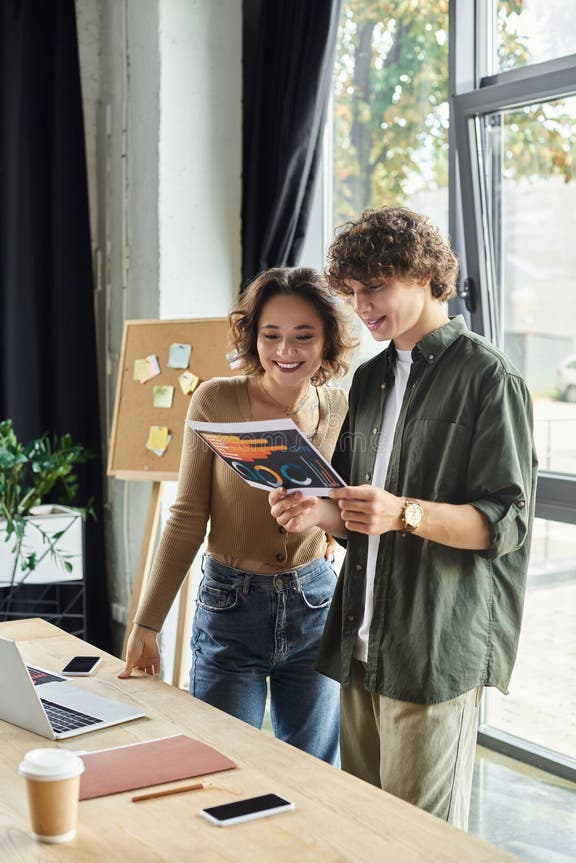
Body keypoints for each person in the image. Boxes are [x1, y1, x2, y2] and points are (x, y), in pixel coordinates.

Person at [269, 207, 537, 827]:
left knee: (419, 841)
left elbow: (507, 523)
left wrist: (405, 513)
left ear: (424, 275)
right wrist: (315, 511)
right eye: (352, 291)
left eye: (375, 287)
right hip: (359, 644)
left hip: (431, 649)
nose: (361, 306)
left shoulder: (489, 377)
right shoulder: (369, 380)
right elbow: (353, 513)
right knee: (365, 830)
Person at [119, 266, 354, 765]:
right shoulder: (216, 400)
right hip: (230, 609)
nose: (285, 350)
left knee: (314, 772)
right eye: (271, 335)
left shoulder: (338, 406)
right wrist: (147, 622)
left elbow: (348, 510)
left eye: (303, 336)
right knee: (221, 765)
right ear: (253, 336)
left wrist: (321, 516)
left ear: (327, 340)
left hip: (314, 603)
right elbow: (186, 516)